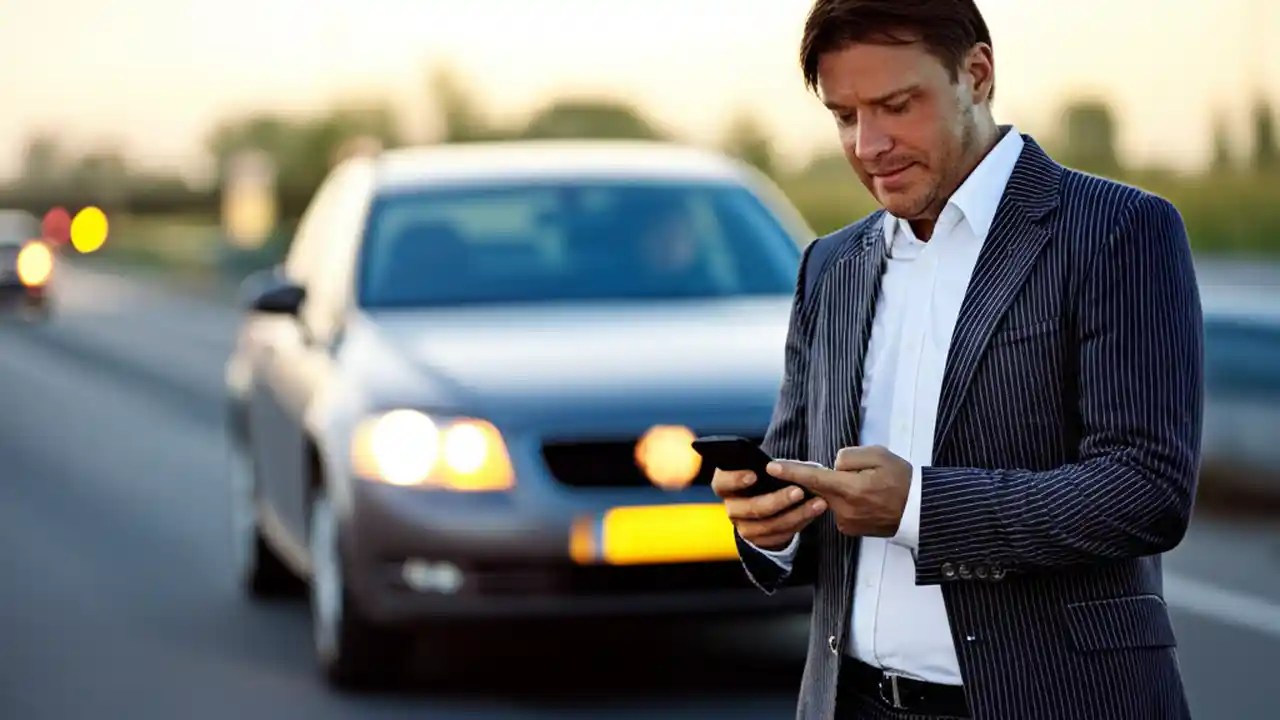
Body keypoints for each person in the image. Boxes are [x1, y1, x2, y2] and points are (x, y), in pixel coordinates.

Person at [711, 1, 1203, 719]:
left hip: (1057, 702)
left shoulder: (1117, 230)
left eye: (895, 106)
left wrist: (918, 505)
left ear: (976, 73)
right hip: (849, 703)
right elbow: (800, 476)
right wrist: (773, 526)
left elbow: (1145, 490)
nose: (868, 143)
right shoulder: (829, 265)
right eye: (845, 115)